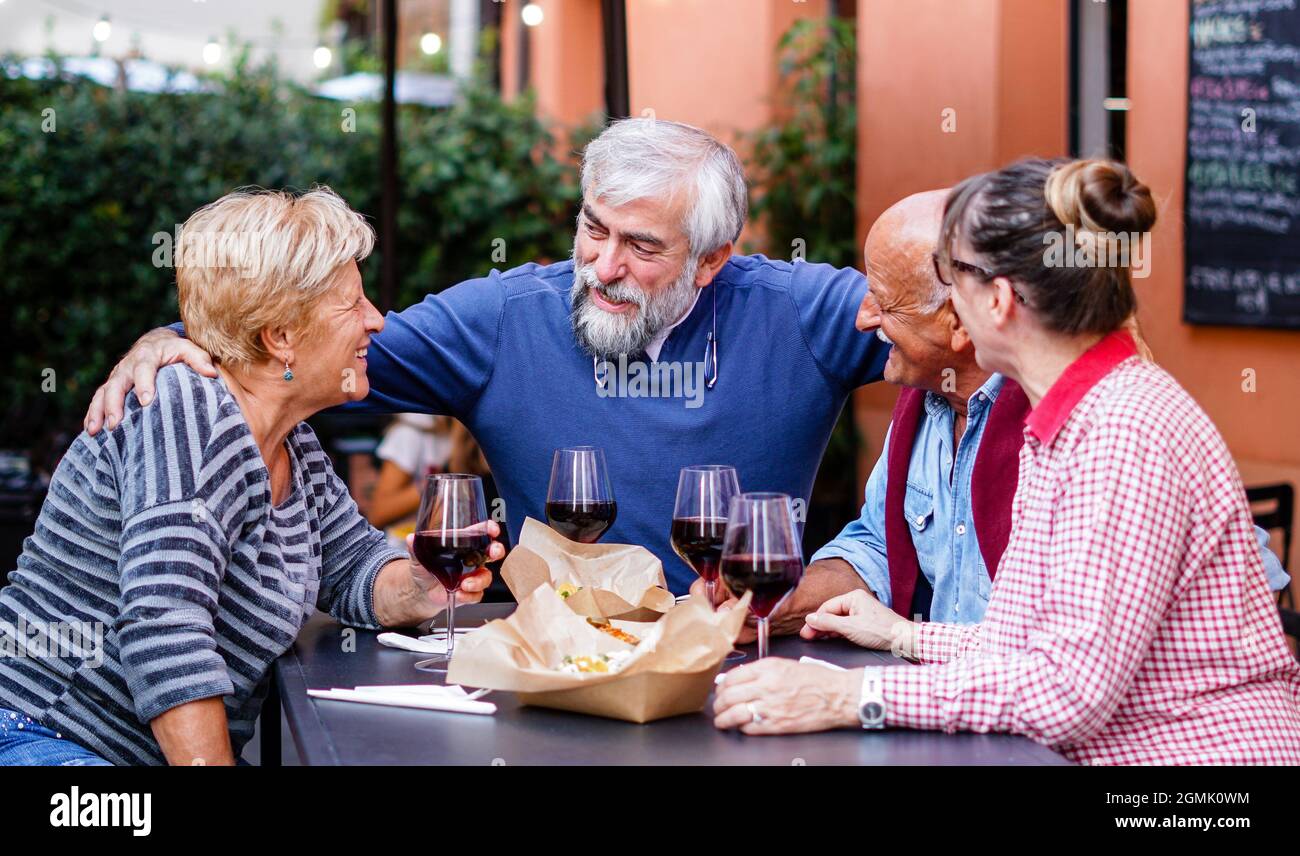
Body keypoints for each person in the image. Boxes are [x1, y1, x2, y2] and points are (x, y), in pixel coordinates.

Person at [81, 118, 891, 594]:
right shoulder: (501, 321)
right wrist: (173, 340)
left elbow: (952, 334)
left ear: (710, 260)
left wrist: (835, 577)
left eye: (641, 247)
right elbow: (297, 350)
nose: (603, 267)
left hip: (751, 668)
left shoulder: (800, 312)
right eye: (593, 228)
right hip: (554, 677)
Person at [714, 158, 1300, 764]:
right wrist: (903, 634)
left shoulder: (1121, 431)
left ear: (994, 302)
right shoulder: (1071, 419)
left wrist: (849, 694)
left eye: (950, 279)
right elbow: (1031, 645)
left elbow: (1068, 690)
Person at [0, 188, 503, 766]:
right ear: (281, 336)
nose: (377, 322)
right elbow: (165, 630)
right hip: (46, 734)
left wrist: (421, 582)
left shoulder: (296, 445)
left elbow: (354, 570)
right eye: (352, 304)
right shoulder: (189, 413)